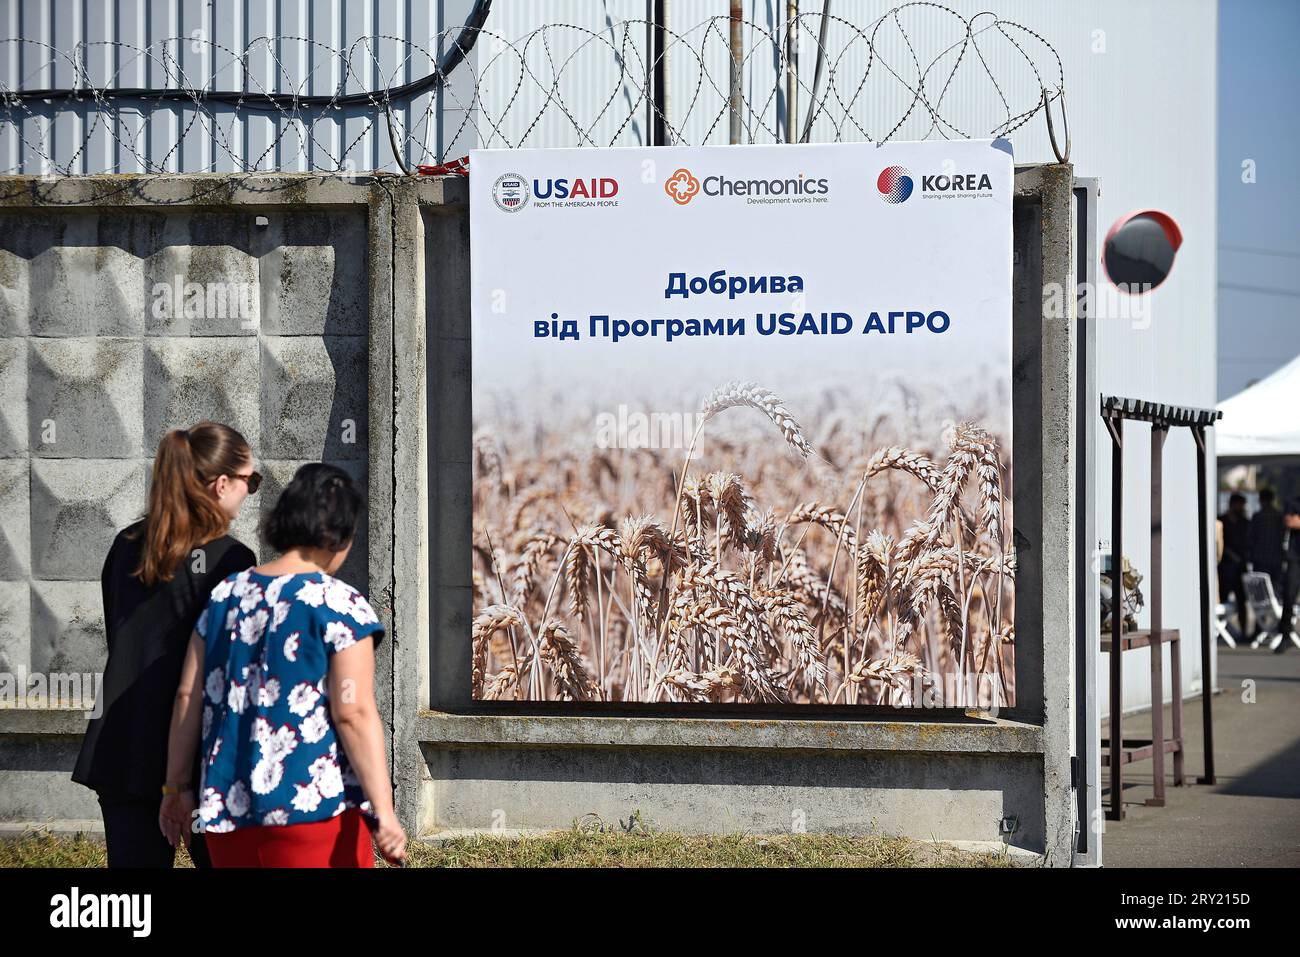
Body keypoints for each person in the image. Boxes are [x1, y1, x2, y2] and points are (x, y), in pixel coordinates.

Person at [158, 463, 406, 867]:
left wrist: (175, 788)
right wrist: (385, 810)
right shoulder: (340, 605)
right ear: (340, 535)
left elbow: (188, 695)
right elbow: (354, 713)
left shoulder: (226, 595)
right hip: (314, 810)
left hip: (228, 811)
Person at [72, 423, 259, 867]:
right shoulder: (232, 559)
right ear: (222, 484)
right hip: (199, 756)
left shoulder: (126, 545)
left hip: (123, 747)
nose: (251, 492)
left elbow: (119, 637)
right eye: (251, 481)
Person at [1218, 493, 1250, 636]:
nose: (1241, 508)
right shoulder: (1222, 521)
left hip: (1240, 568)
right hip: (1225, 567)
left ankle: (1243, 631)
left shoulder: (1245, 522)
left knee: (1241, 602)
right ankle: (1221, 630)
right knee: (1222, 600)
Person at [1249, 489, 1285, 603]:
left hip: (1260, 560)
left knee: (1260, 594)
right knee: (1276, 593)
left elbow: (1251, 537)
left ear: (1260, 500)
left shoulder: (1257, 517)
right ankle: (1276, 618)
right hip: (1276, 559)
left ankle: (1261, 620)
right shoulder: (1280, 517)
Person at [1276, 497, 1300, 655]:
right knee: (1289, 596)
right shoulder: (1293, 502)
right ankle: (1286, 635)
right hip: (1295, 557)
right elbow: (1289, 522)